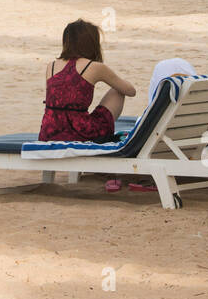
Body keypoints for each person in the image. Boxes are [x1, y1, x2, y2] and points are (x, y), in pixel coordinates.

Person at [40, 20, 137, 191]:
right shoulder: (95, 67)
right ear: (92, 42)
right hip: (81, 132)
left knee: (69, 109)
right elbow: (130, 91)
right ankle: (105, 132)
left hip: (49, 131)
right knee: (118, 91)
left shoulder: (51, 66)